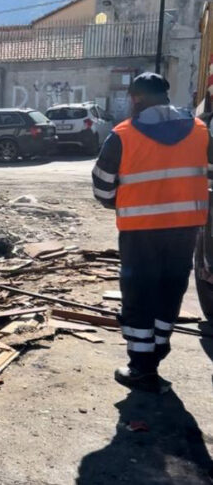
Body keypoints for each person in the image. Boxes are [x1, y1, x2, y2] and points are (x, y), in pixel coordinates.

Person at [92, 72, 213, 393]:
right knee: (170, 291)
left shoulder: (122, 135)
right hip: (184, 230)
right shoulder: (201, 132)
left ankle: (142, 367)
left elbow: (102, 188)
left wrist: (124, 202)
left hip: (139, 232)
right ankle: (158, 351)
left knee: (139, 296)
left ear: (135, 99)